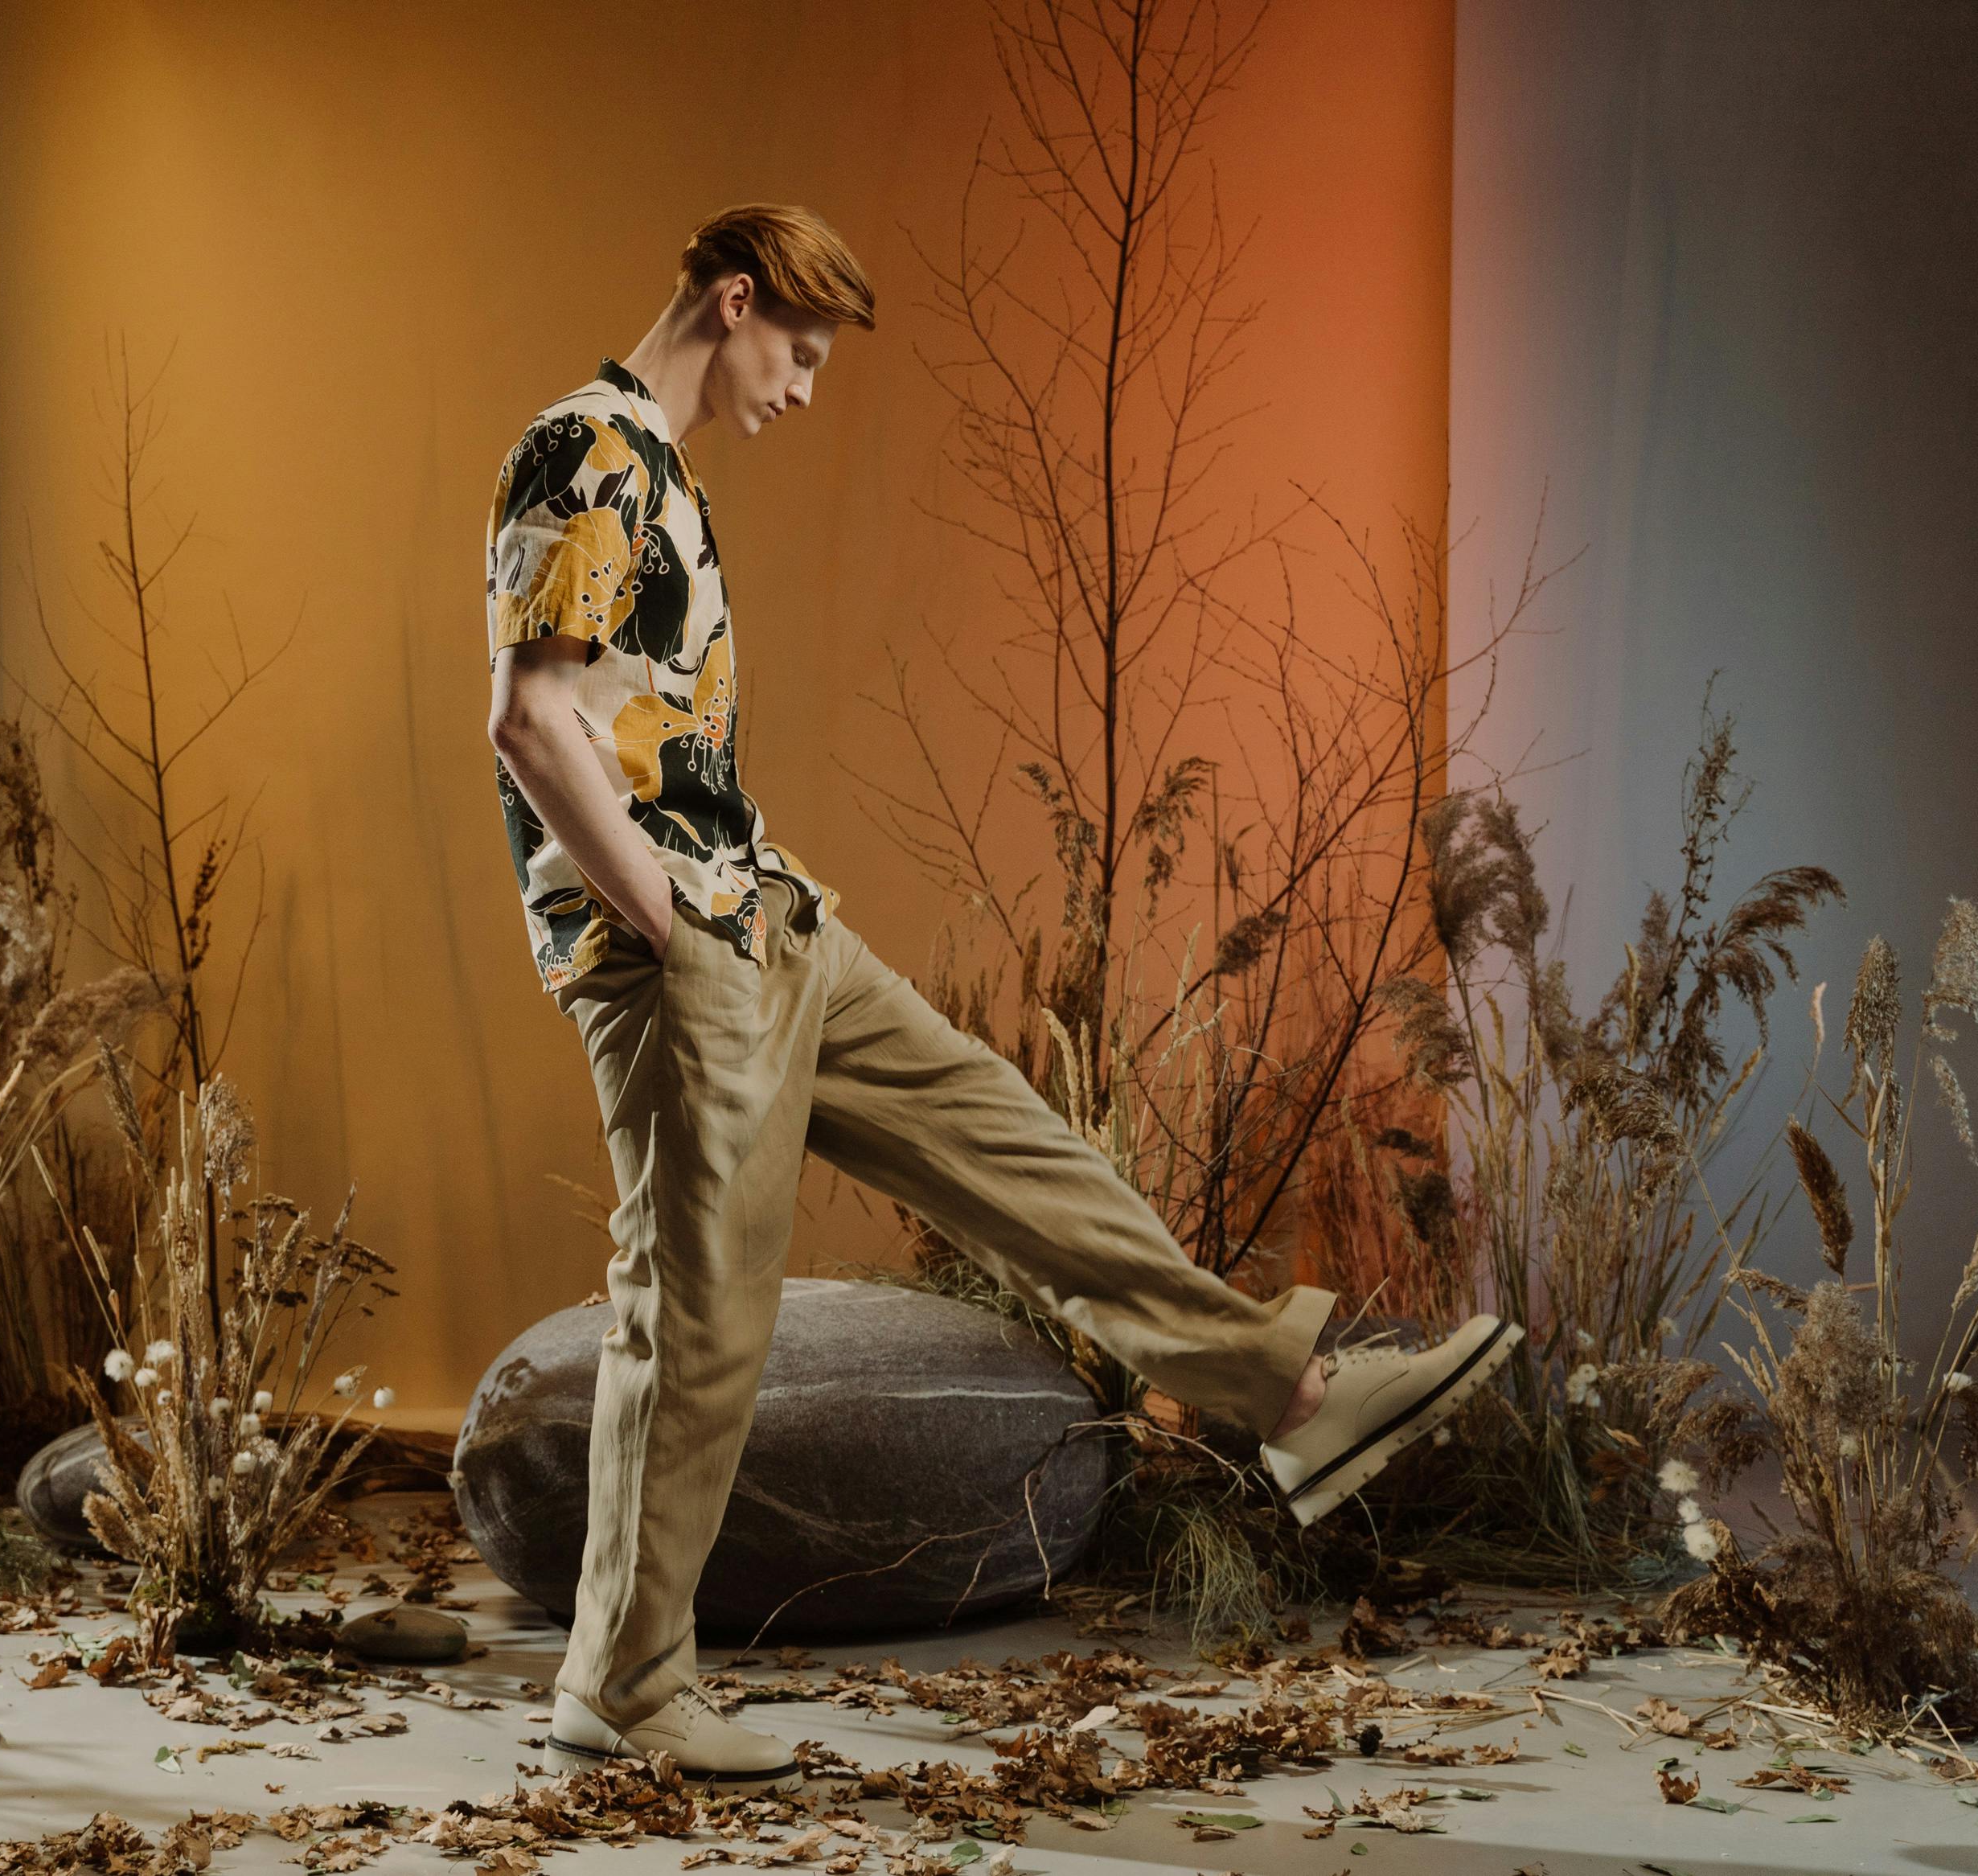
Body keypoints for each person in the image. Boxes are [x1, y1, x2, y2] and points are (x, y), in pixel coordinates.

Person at [481, 203, 1520, 1794]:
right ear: (734, 300)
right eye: (801, 352)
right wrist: (678, 928)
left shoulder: (660, 472)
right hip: (685, 952)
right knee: (696, 1314)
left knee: (1022, 1158)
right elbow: (532, 719)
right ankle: (622, 1688)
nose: (807, 388)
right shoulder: (590, 449)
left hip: (776, 928)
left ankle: (1291, 1391)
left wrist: (741, 911)